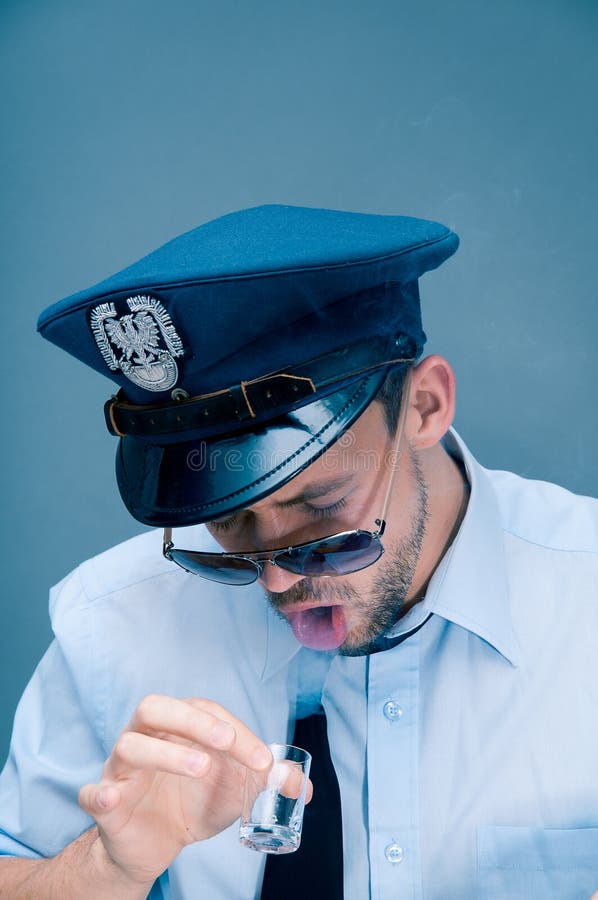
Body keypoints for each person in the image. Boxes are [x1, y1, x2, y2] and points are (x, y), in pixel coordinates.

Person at [0, 205, 597, 900]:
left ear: (425, 406)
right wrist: (105, 869)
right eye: (229, 521)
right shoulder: (112, 621)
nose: (278, 577)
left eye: (320, 505)